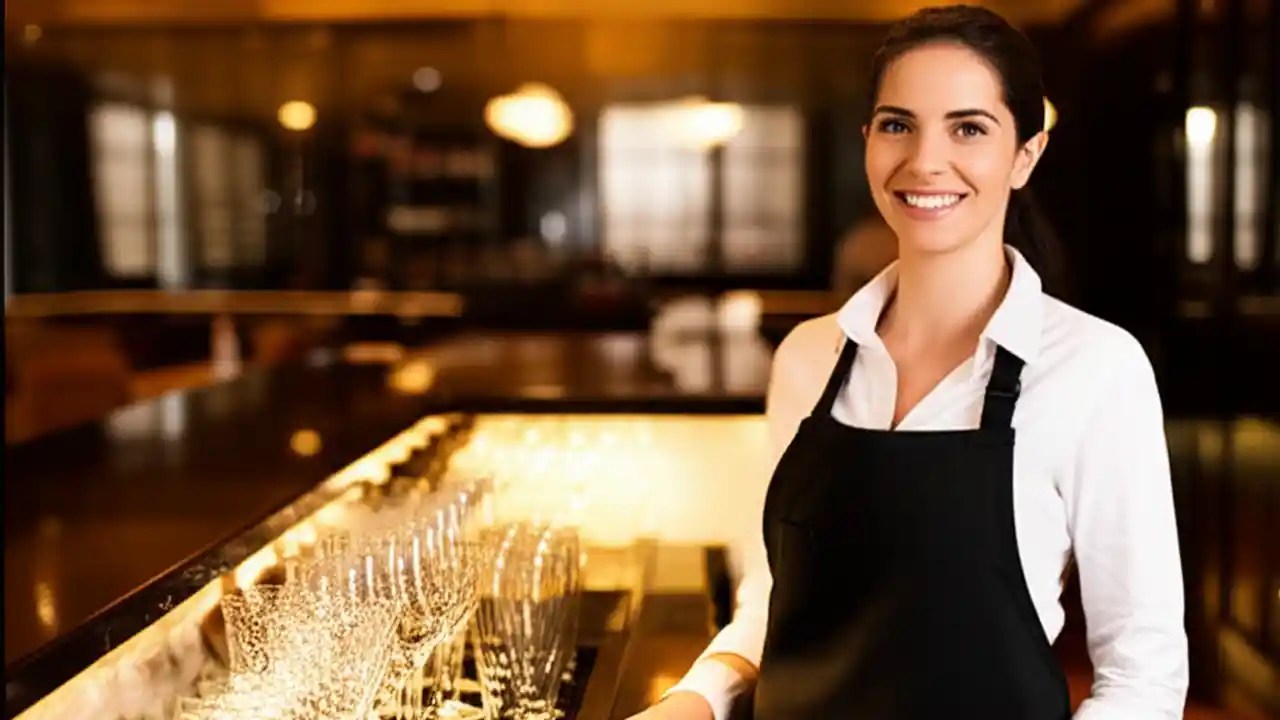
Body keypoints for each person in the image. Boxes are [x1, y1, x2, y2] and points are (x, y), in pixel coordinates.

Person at [628, 5, 1188, 719]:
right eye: (898, 124)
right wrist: (695, 699)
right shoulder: (808, 358)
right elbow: (778, 602)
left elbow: (1144, 674)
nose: (925, 160)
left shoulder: (1096, 369)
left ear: (1026, 155)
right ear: (867, 142)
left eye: (969, 128)